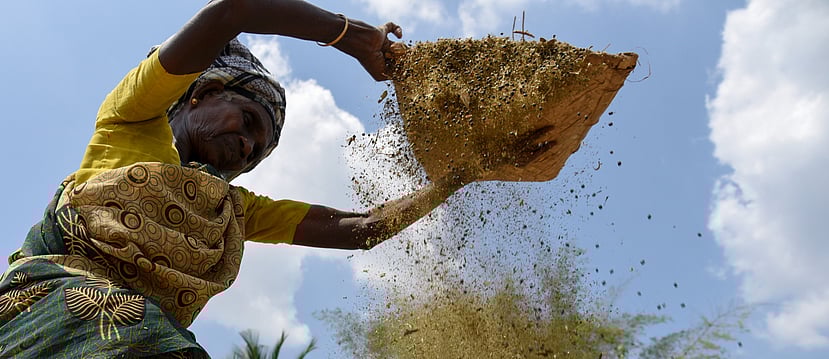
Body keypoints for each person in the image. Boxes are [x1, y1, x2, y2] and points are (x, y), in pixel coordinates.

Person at [0, 0, 555, 357]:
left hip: (149, 338)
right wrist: (351, 36)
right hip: (51, 311)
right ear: (203, 94)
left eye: (258, 151)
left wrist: (463, 173)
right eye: (247, 123)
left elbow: (360, 228)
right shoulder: (131, 120)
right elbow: (229, 12)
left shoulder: (233, 211)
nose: (247, 147)